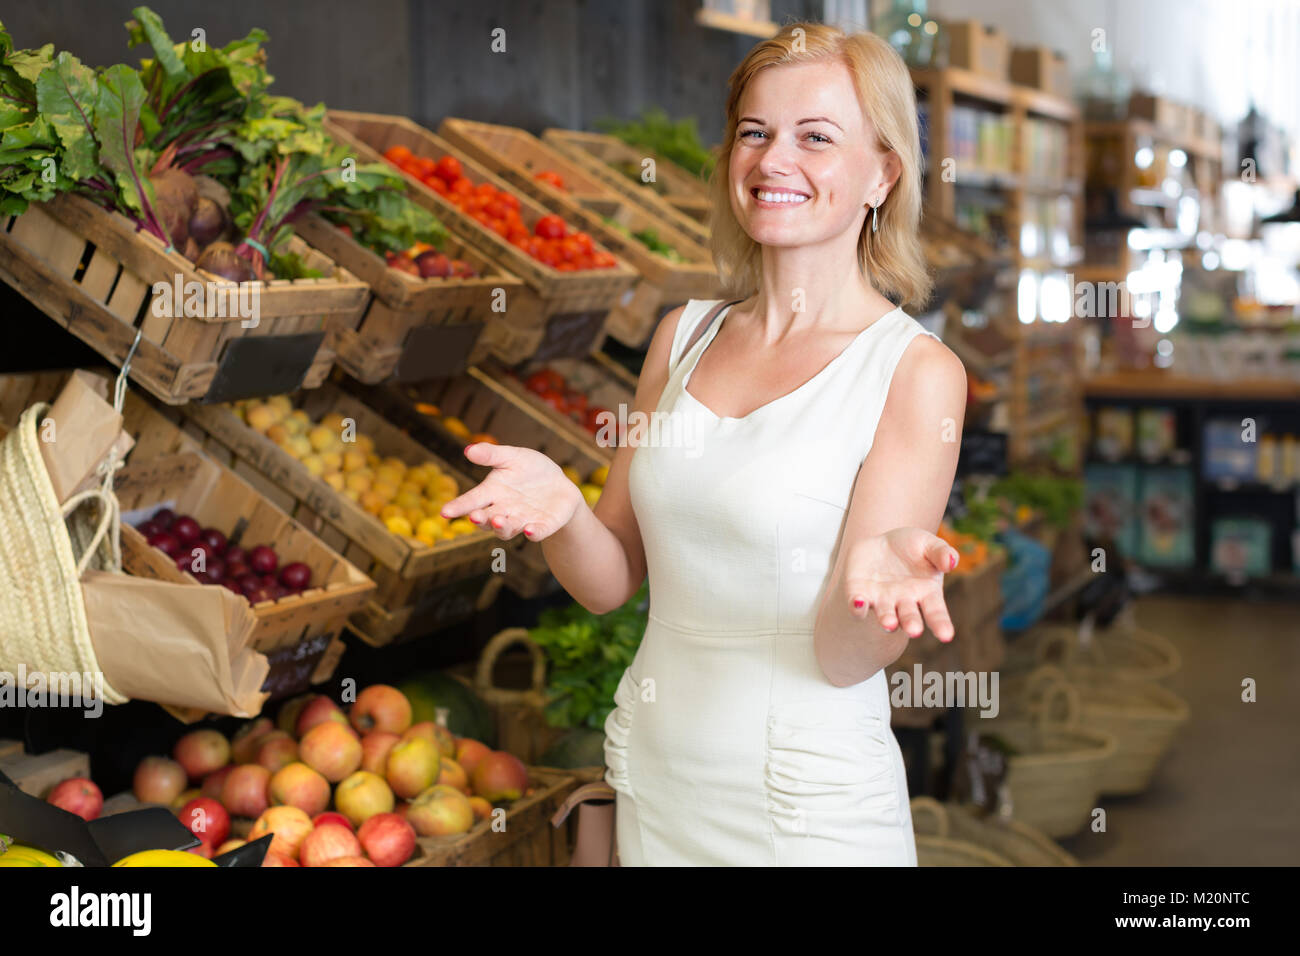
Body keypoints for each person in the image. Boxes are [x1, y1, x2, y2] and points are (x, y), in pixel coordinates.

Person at [441, 21, 967, 865]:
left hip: (807, 812)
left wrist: (876, 598)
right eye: (754, 133)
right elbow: (613, 581)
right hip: (658, 783)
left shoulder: (912, 371)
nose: (772, 161)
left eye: (816, 138)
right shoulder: (680, 338)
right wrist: (566, 512)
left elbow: (840, 657)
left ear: (883, 172)